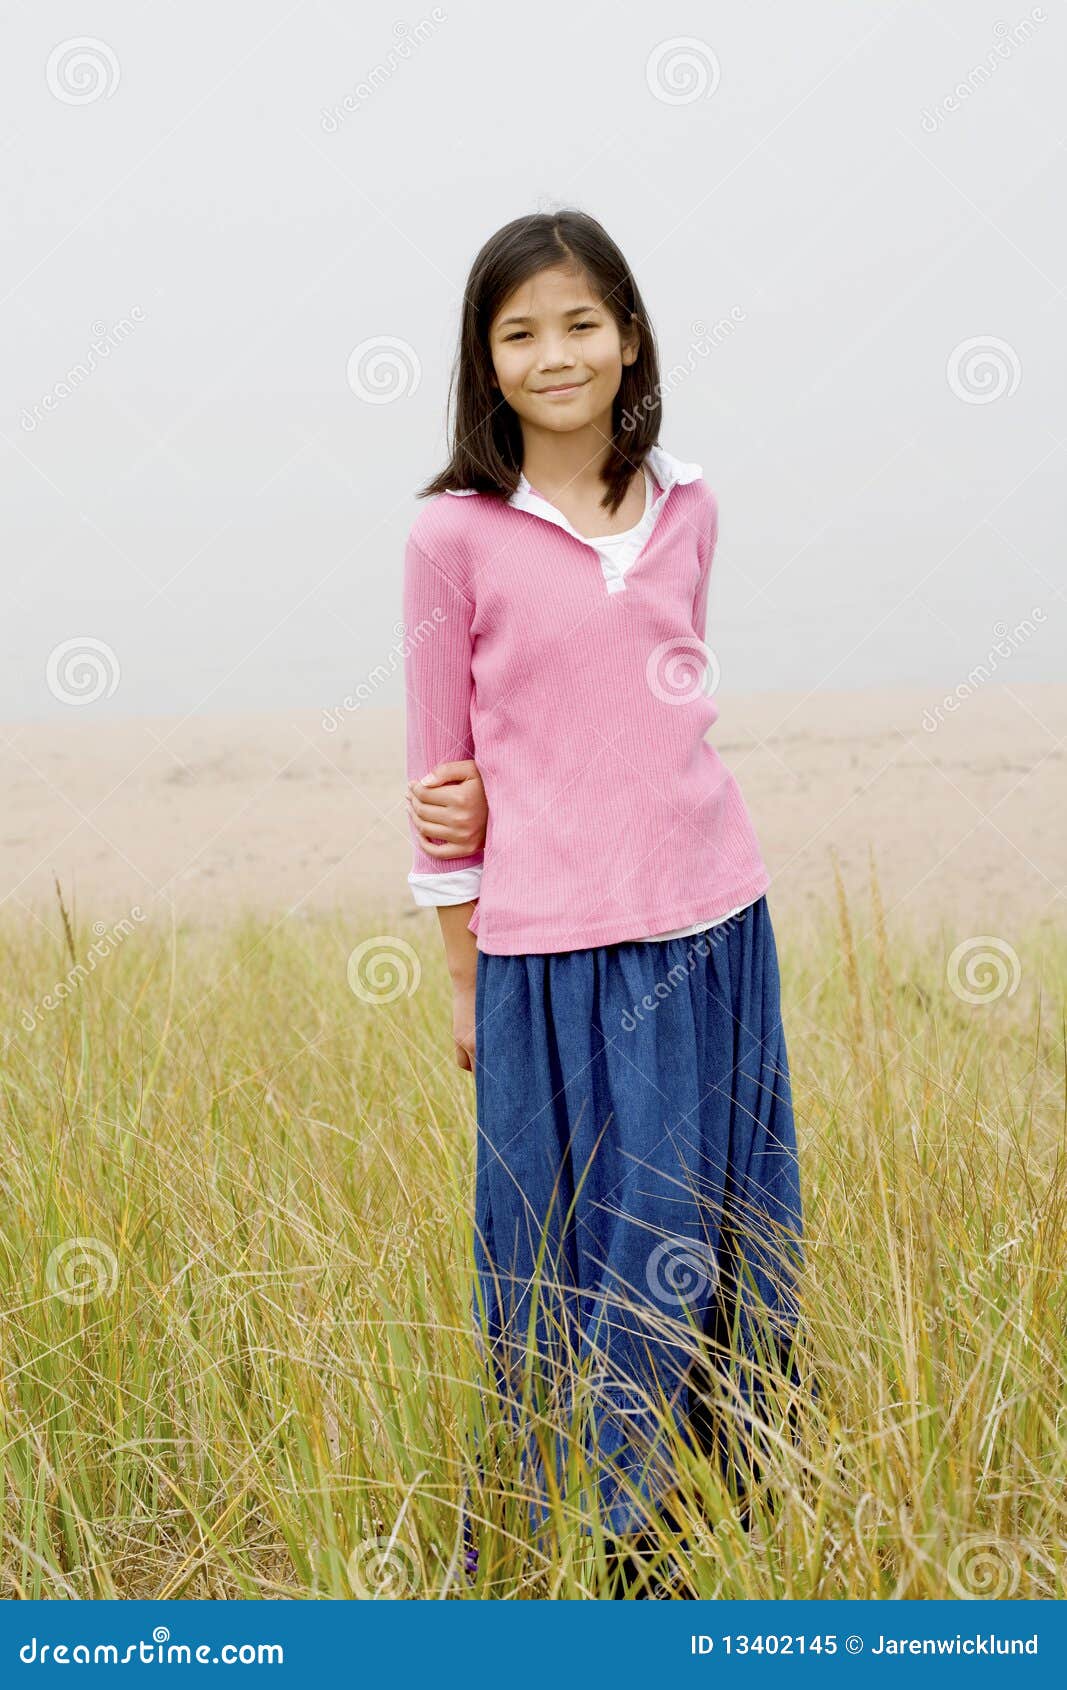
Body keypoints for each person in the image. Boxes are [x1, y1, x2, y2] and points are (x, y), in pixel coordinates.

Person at [401, 209, 807, 1593]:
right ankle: (572, 1529)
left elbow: (649, 715)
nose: (554, 353)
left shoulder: (691, 505)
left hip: (712, 926)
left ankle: (721, 1513)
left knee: (714, 1221)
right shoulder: (450, 535)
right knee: (566, 1235)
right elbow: (439, 762)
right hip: (548, 952)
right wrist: (460, 966)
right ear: (486, 359)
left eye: (580, 322)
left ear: (628, 334)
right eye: (520, 331)